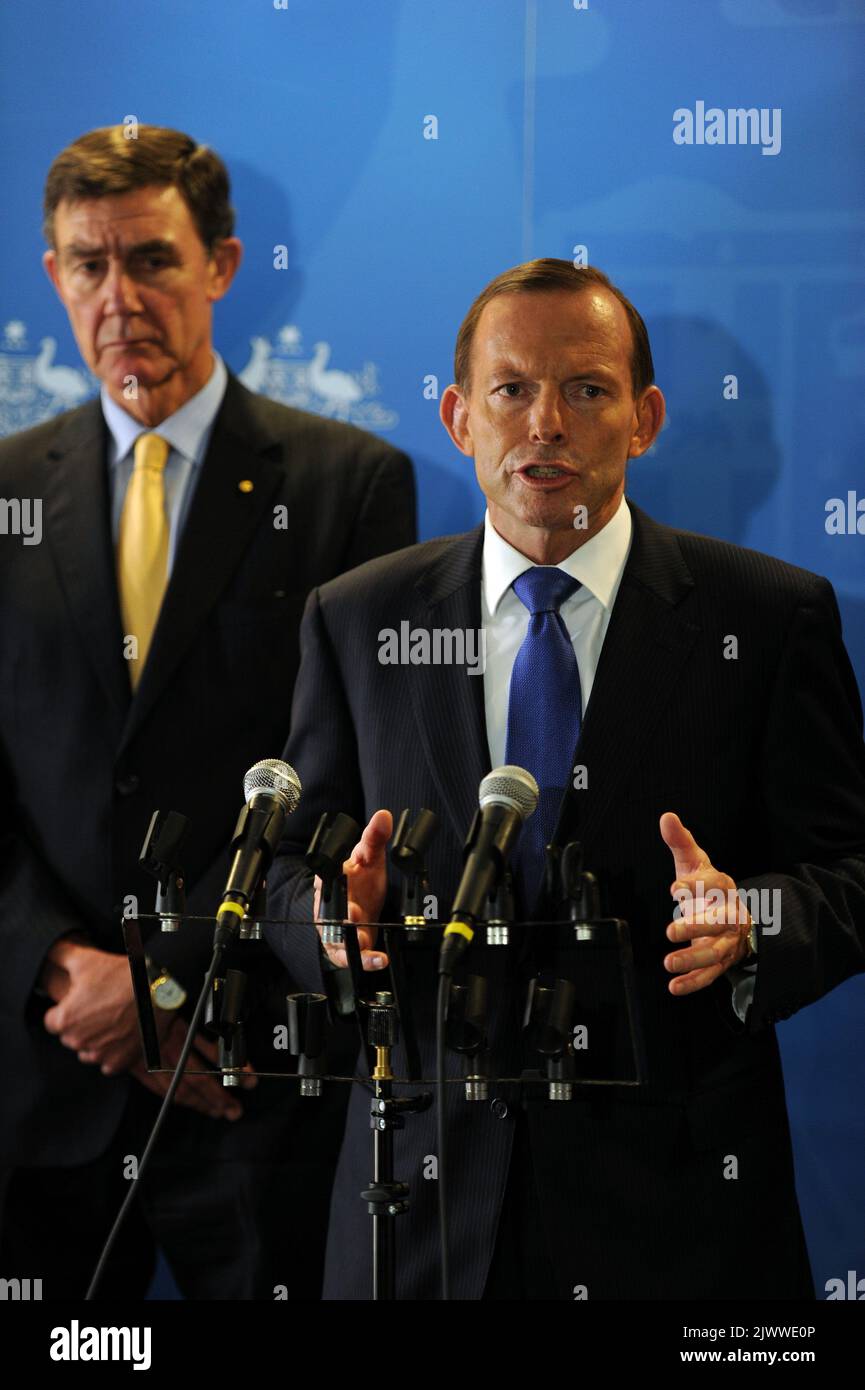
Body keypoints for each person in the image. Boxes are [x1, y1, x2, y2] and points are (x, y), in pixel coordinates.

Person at [264, 259, 865, 1300]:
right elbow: (285, 864)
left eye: (586, 389)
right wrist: (328, 921)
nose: (545, 423)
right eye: (511, 390)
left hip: (677, 1214)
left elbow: (848, 873)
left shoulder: (767, 619)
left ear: (645, 417)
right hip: (418, 1201)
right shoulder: (357, 616)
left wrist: (751, 919)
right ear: (458, 416)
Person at [0, 124, 416, 1300]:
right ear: (51, 277)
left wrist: (165, 983)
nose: (118, 296)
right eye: (88, 264)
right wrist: (62, 971)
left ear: (221, 265)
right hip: (44, 1078)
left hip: (256, 1079)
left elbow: (346, 791)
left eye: (152, 260)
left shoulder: (348, 487)